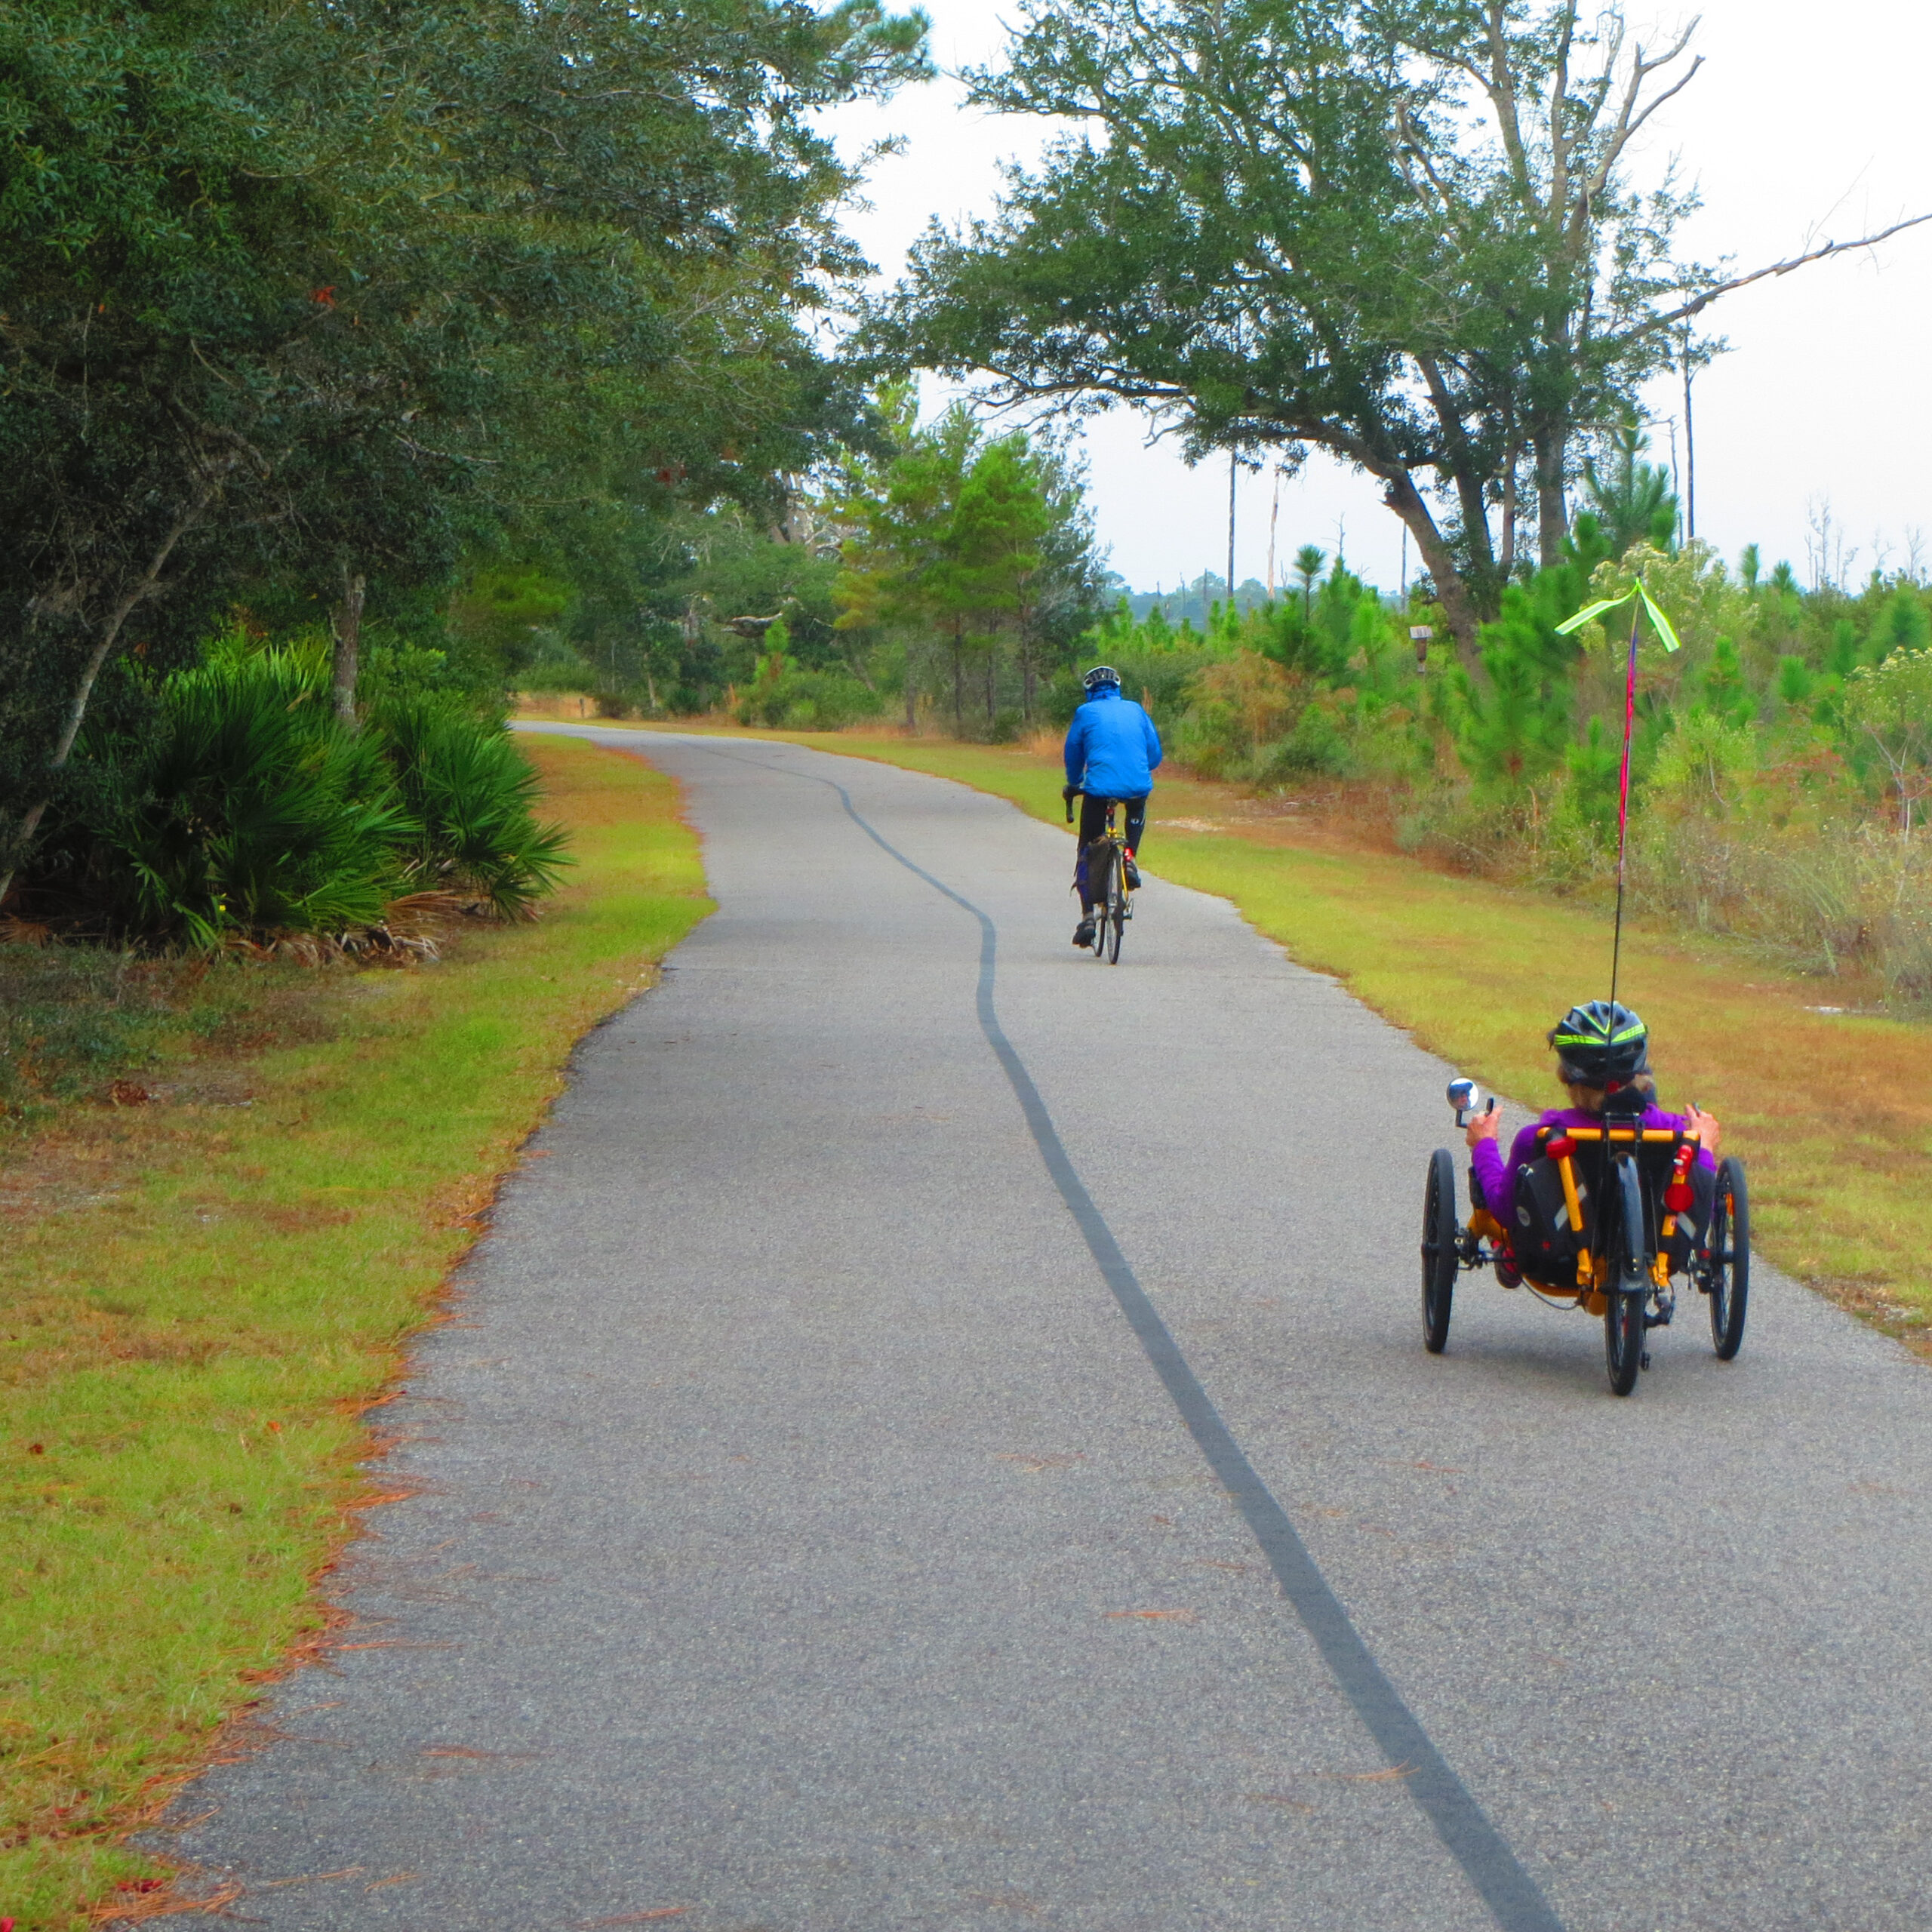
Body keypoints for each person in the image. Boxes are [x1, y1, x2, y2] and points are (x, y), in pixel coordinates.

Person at [1465, 1000, 1721, 1245]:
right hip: (1654, 1249)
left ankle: (1510, 1252)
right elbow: (1701, 1211)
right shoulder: (1676, 1132)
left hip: (1561, 1257)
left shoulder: (1539, 1137)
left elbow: (1505, 1212)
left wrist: (1484, 1145)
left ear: (1567, 1072)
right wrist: (1705, 1146)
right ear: (1639, 1066)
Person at [1062, 665, 1163, 949]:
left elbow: (1073, 753)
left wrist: (1074, 782)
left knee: (1086, 847)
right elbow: (1154, 756)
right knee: (1136, 806)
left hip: (1097, 790)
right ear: (1117, 688)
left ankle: (1087, 918)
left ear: (1089, 692)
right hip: (1137, 785)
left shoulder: (1085, 713)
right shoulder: (1136, 710)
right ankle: (1129, 857)